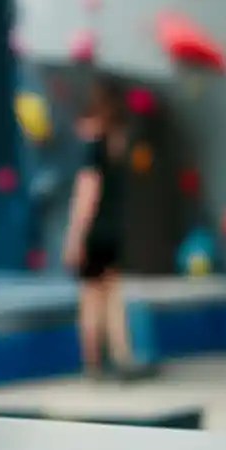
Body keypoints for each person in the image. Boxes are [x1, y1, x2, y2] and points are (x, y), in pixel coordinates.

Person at [62, 76, 136, 380]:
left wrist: (74, 237)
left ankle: (92, 364)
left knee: (90, 299)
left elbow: (86, 196)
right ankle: (122, 355)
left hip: (93, 233)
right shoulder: (117, 145)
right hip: (114, 232)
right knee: (113, 295)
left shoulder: (92, 150)